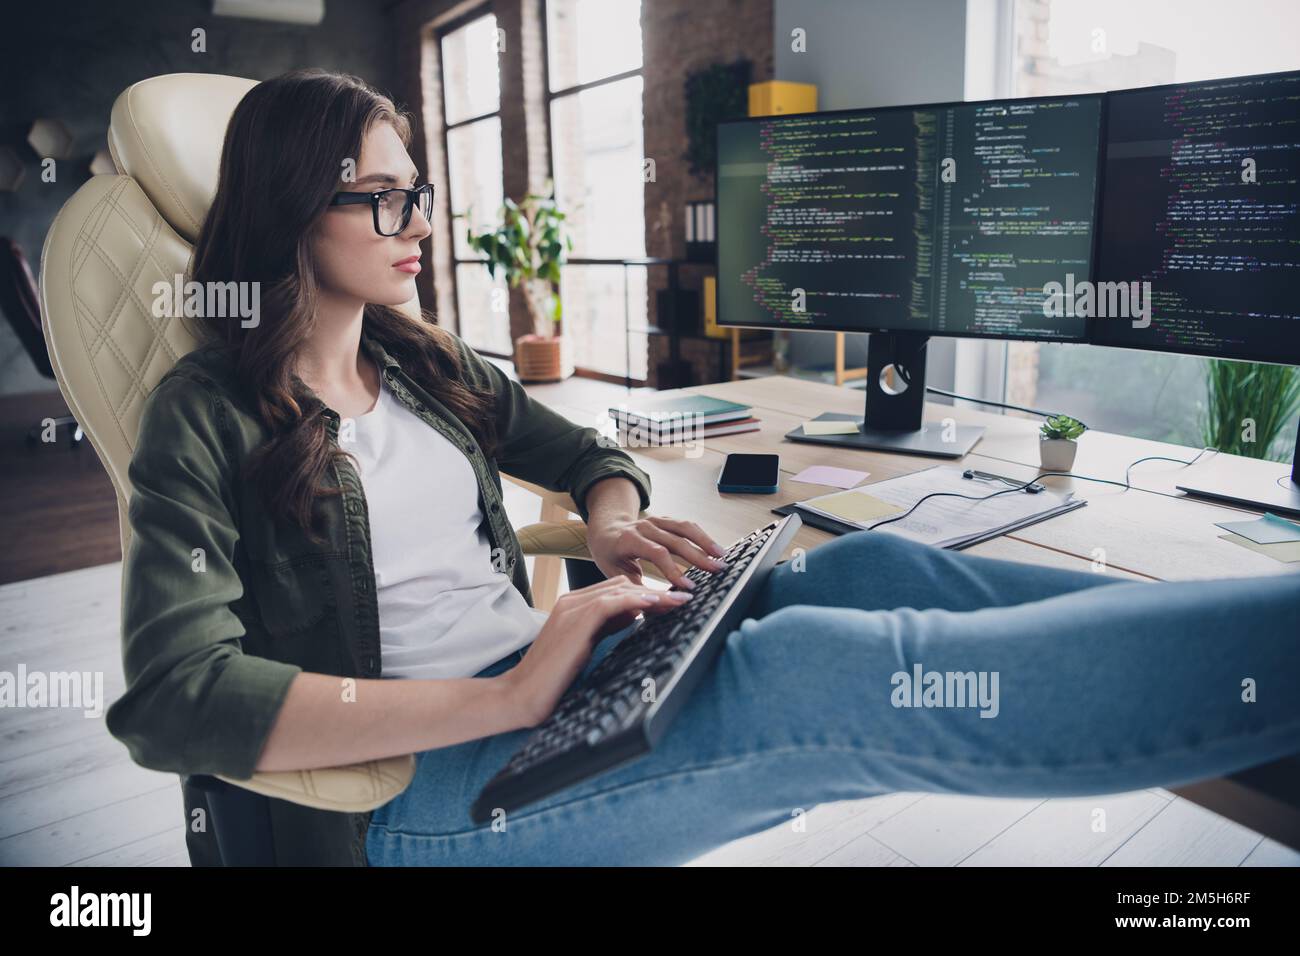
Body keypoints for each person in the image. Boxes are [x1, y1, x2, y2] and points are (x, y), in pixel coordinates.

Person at [110, 69, 1300, 868]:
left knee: (881, 564)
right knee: (819, 673)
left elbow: (584, 451)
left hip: (546, 680)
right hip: (416, 791)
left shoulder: (422, 364)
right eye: (384, 198)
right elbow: (176, 698)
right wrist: (509, 699)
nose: (420, 220)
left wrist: (615, 521)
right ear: (289, 211)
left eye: (417, 191)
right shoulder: (204, 415)